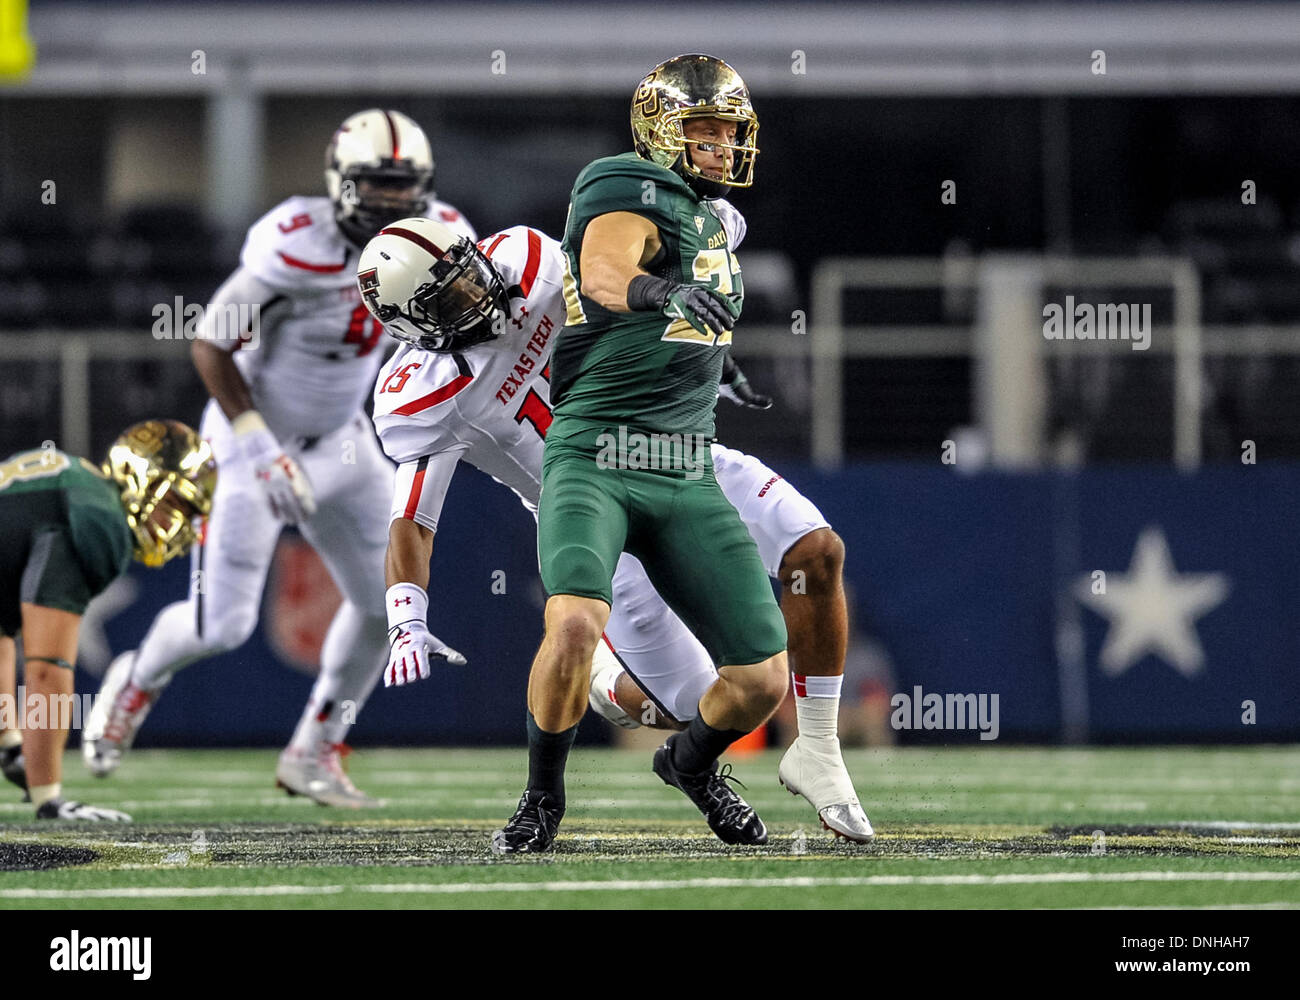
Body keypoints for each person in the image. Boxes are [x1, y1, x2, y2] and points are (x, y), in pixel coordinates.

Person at [81, 109, 476, 807]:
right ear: (340, 181)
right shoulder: (296, 242)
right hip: (249, 443)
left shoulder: (438, 235)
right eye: (376, 184)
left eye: (402, 184)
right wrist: (260, 447)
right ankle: (137, 678)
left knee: (388, 603)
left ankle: (314, 750)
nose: (391, 199)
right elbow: (210, 343)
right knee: (219, 625)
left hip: (342, 441)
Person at [490, 52, 801, 854]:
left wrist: (715, 361)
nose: (724, 147)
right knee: (574, 625)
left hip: (684, 466)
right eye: (705, 130)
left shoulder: (715, 222)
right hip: (596, 453)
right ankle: (541, 799)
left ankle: (691, 764)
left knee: (763, 680)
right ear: (661, 132)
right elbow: (603, 272)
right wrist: (661, 292)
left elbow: (675, 317)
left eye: (730, 132)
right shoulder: (623, 181)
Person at [0, 421, 216, 820]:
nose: (176, 527)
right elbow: (47, 672)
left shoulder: (76, 484)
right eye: (173, 506)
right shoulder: (98, 519)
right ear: (138, 477)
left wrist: (10, 743)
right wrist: (47, 797)